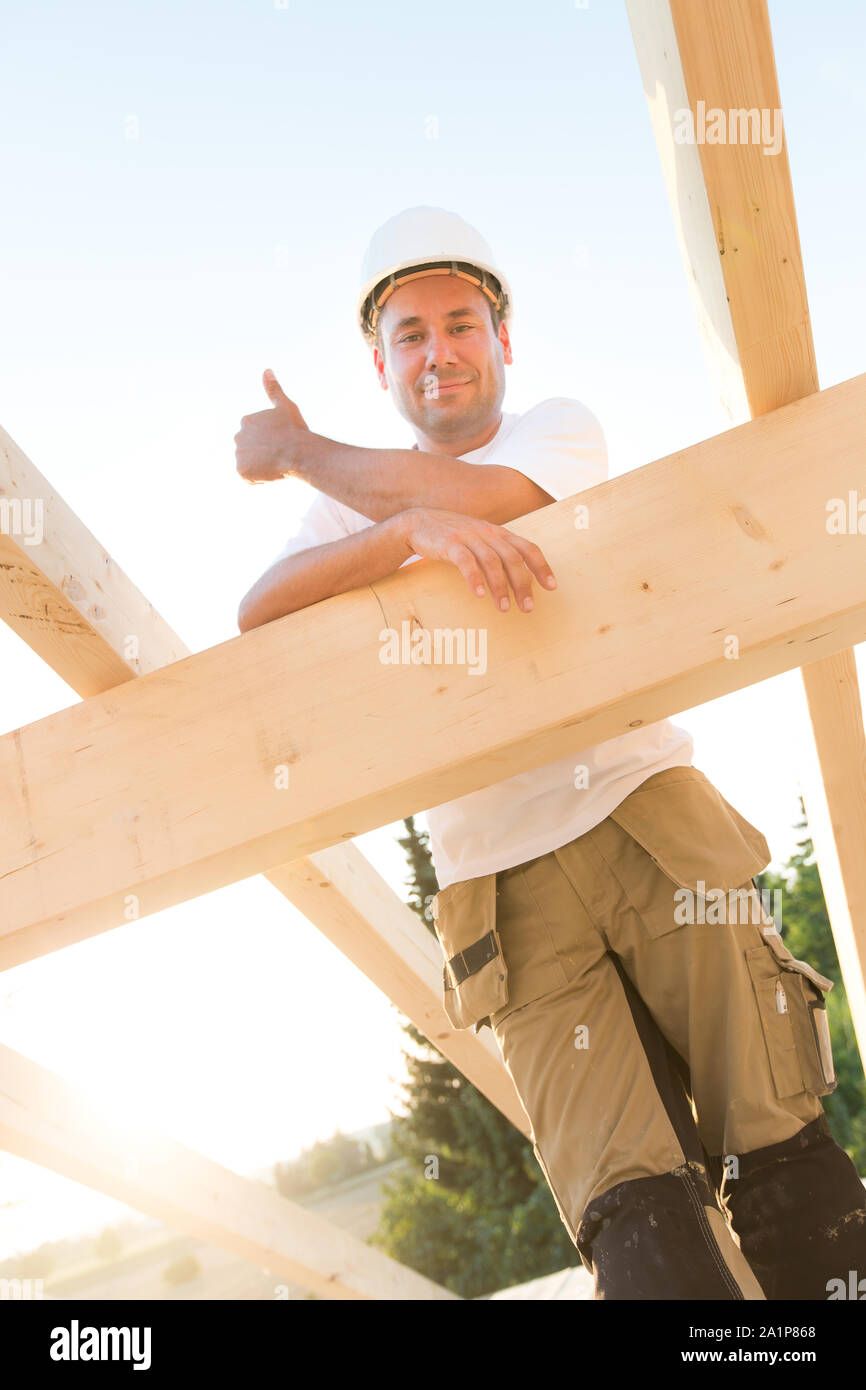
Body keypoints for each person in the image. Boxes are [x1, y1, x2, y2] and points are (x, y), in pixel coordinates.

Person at [234, 206, 866, 1300]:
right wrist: (398, 538)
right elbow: (257, 616)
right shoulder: (355, 514)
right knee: (633, 1216)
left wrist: (296, 452)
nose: (439, 353)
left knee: (771, 1147)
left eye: (460, 323)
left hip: (647, 822)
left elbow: (492, 499)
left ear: (502, 339)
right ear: (378, 363)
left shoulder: (557, 430)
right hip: (504, 897)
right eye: (410, 335)